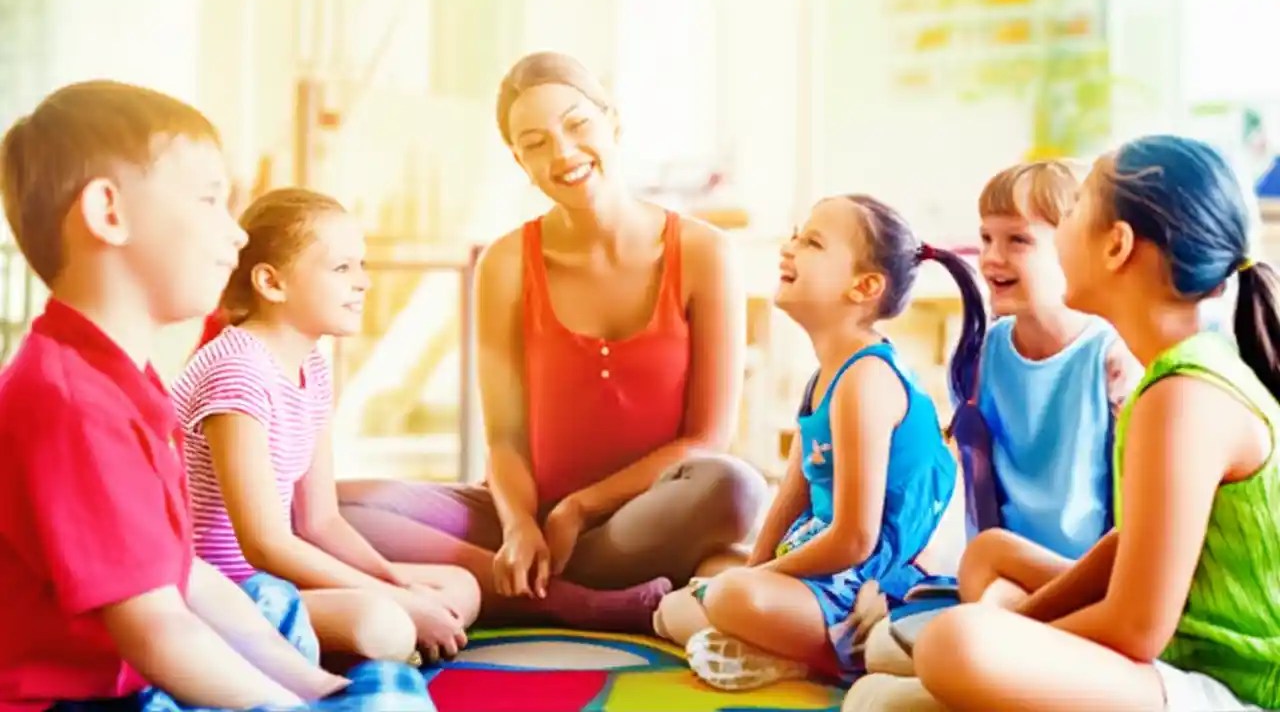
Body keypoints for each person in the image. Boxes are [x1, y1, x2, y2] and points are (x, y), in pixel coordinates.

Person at [0, 81, 431, 711]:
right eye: (210, 201)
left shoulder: (122, 381)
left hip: (142, 667)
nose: (236, 236)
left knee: (338, 661)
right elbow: (158, 631)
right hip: (91, 698)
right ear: (108, 212)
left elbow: (188, 578)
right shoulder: (71, 404)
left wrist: (315, 688)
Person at [336, 51, 767, 631]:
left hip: (640, 519)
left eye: (578, 124)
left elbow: (705, 438)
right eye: (535, 143)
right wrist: (520, 525)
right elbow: (507, 439)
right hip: (523, 519)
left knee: (734, 487)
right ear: (520, 161)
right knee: (326, 508)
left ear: (612, 121)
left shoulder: (705, 253)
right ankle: (580, 600)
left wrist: (579, 509)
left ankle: (515, 586)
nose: (562, 153)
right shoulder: (507, 262)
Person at [915, 134, 1280, 711]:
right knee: (984, 563)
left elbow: (1136, 628)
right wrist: (1016, 625)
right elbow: (1131, 543)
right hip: (1174, 664)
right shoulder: (1176, 373)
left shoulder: (1184, 395)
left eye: (1078, 206)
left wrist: (1009, 639)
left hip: (1223, 691)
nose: (1060, 232)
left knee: (955, 644)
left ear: (1116, 244)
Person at [652, 194, 984, 691]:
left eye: (812, 242)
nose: (789, 249)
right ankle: (772, 645)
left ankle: (812, 657)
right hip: (823, 566)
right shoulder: (824, 379)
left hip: (867, 582)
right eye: (794, 235)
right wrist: (756, 568)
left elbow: (855, 537)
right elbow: (794, 492)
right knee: (681, 602)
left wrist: (751, 583)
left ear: (865, 286)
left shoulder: (866, 379)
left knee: (726, 598)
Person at [845, 160, 1142, 711]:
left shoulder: (1112, 358)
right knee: (883, 645)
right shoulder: (989, 355)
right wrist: (895, 572)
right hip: (998, 576)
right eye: (986, 238)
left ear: (1075, 246)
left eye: (1018, 240)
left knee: (902, 669)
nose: (992, 258)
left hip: (1082, 584)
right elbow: (963, 482)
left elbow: (1133, 522)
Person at [173, 188, 481, 665]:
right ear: (271, 283)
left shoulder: (311, 365)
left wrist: (394, 582)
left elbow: (321, 521)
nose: (363, 283)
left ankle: (372, 639)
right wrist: (400, 604)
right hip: (225, 595)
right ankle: (376, 641)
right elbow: (265, 545)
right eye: (342, 268)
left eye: (362, 265)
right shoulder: (236, 371)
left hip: (278, 585)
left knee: (459, 584)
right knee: (384, 623)